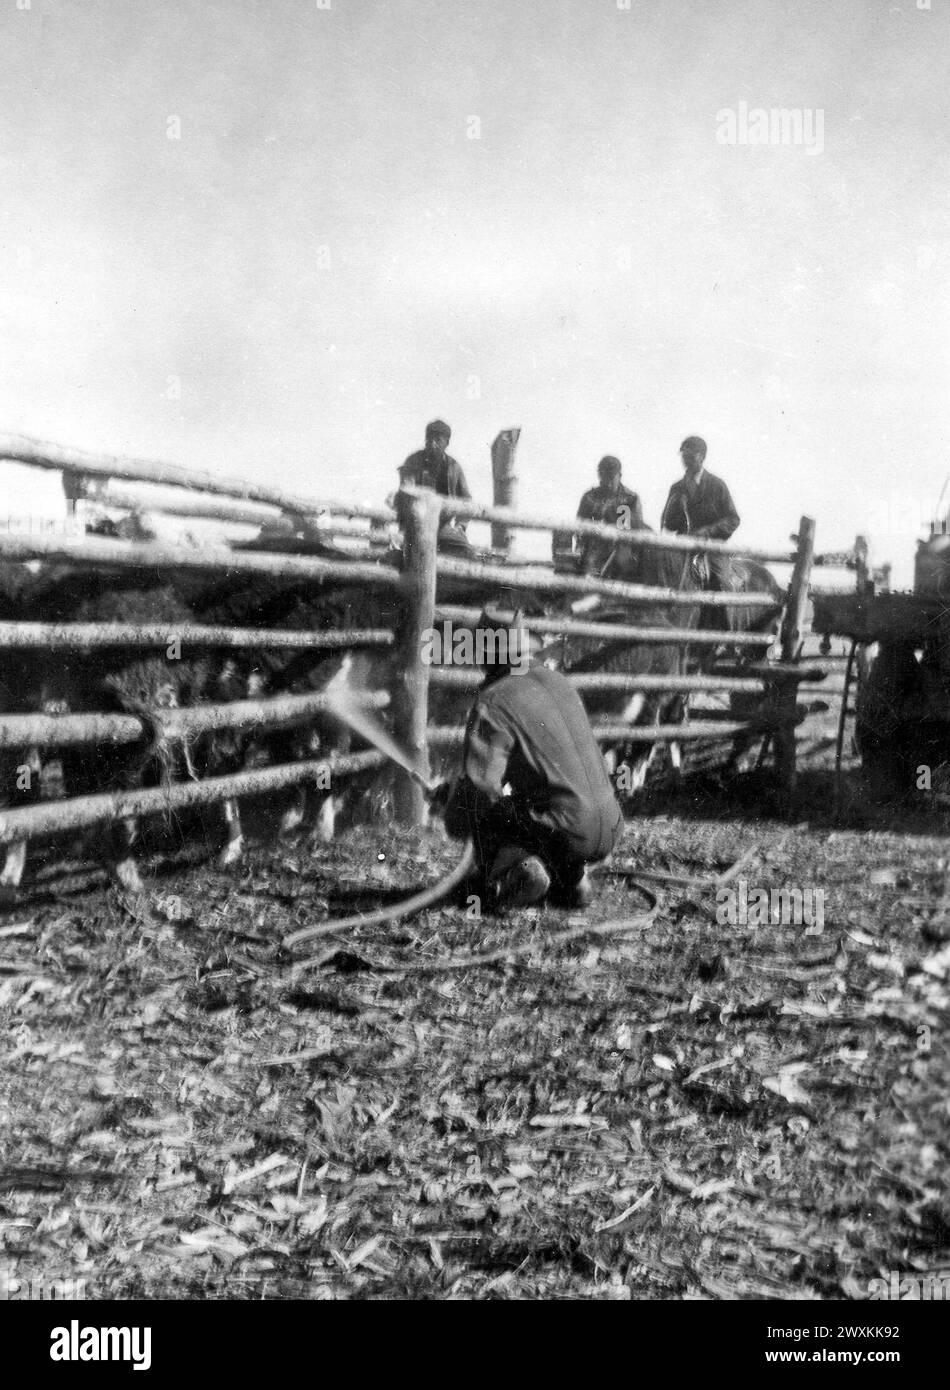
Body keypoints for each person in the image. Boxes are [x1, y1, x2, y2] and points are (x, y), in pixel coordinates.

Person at [441, 606, 622, 912]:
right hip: (610, 824)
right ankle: (573, 879)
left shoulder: (493, 702)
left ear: (486, 655)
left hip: (565, 829)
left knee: (484, 812)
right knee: (541, 807)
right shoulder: (559, 682)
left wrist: (451, 809)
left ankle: (513, 874)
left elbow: (481, 788)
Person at [660, 436, 739, 590]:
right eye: (684, 455)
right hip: (683, 547)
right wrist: (675, 508)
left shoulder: (717, 485)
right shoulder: (677, 487)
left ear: (702, 457)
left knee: (720, 583)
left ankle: (719, 614)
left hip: (712, 549)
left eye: (690, 455)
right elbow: (667, 525)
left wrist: (708, 531)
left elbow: (733, 519)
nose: (686, 459)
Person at [396, 419, 472, 551]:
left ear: (446, 443)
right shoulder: (413, 461)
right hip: (415, 525)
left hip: (443, 527)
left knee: (467, 553)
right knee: (403, 557)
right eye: (428, 439)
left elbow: (466, 500)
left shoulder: (454, 467)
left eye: (438, 440)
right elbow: (406, 493)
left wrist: (461, 526)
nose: (432, 444)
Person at [568, 456, 644, 575]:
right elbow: (580, 528)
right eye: (604, 476)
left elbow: (632, 530)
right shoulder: (589, 498)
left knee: (627, 567)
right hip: (593, 549)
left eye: (611, 477)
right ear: (599, 475)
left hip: (620, 551)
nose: (607, 482)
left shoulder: (630, 499)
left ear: (620, 476)